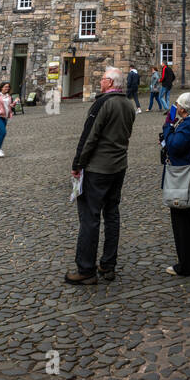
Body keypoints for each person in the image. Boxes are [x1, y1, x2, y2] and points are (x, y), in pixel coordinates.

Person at [66, 67, 136, 285]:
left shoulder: (103, 103)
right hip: (119, 166)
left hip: (98, 168)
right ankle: (108, 264)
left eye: (103, 78)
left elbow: (90, 136)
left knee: (90, 217)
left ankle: (86, 269)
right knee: (112, 214)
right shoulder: (129, 104)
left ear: (111, 82)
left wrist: (78, 163)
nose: (100, 81)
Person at [160, 91, 190, 277]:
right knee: (187, 222)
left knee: (181, 223)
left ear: (183, 108)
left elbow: (174, 146)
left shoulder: (189, 125)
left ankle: (186, 266)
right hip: (189, 178)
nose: (175, 106)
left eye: (177, 104)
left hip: (184, 180)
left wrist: (168, 126)